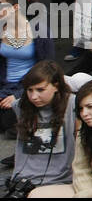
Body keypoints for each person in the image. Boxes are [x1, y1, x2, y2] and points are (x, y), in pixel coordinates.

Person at [10, 60, 78, 189]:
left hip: (61, 180)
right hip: (24, 180)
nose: (34, 96)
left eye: (40, 90)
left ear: (56, 86)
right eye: (30, 90)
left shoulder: (73, 104)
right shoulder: (21, 106)